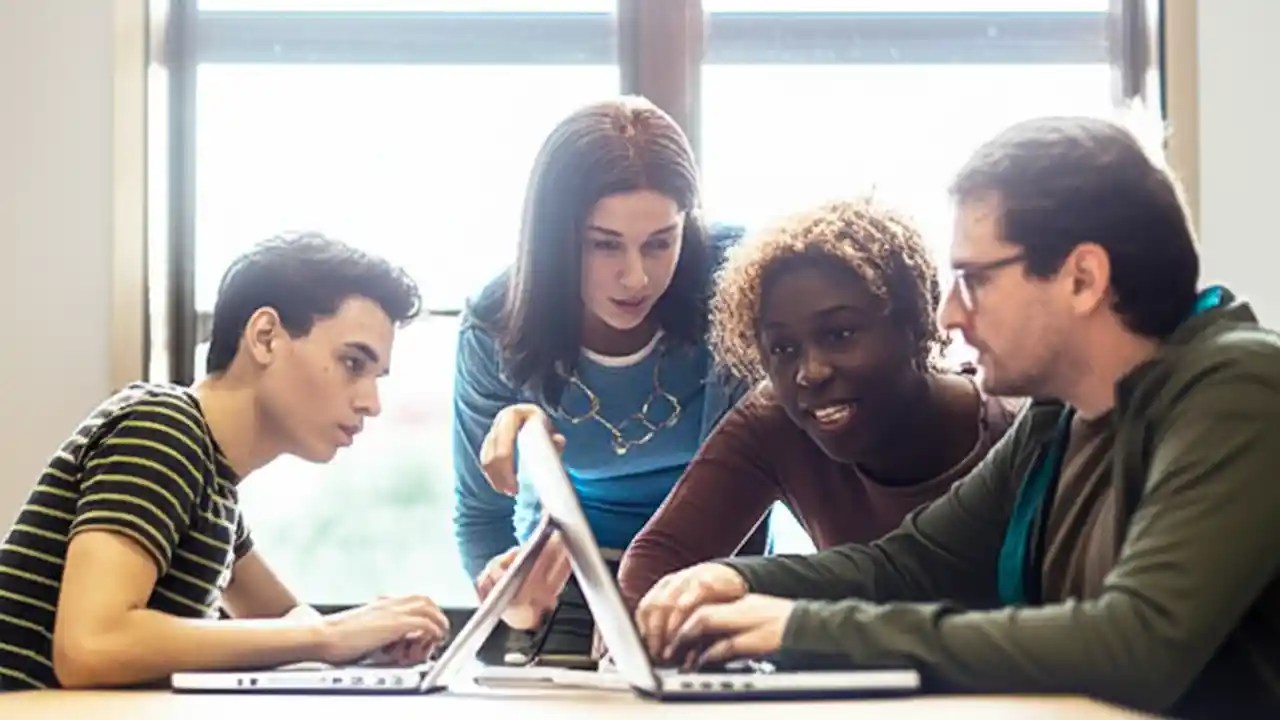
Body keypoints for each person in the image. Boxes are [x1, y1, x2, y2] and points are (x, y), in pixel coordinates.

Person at [634, 117, 1280, 719]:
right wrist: (727, 579)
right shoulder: (1061, 416)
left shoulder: (1240, 389)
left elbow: (1139, 642)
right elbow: (911, 568)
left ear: (1083, 278)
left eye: (976, 280)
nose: (950, 316)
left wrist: (800, 628)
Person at [0, 233, 449, 691]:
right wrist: (326, 636)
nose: (372, 403)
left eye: (377, 377)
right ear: (265, 337)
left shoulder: (215, 484)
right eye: (353, 363)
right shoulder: (162, 429)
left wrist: (365, 643)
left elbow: (286, 622)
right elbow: (90, 646)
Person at [452, 96, 754, 657]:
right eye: (603, 244)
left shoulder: (737, 278)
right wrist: (514, 601)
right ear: (555, 238)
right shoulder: (497, 324)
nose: (635, 277)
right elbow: (481, 515)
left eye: (661, 242)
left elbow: (760, 470)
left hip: (712, 566)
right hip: (570, 576)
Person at [615, 197, 1020, 609]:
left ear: (916, 324)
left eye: (840, 334)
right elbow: (659, 557)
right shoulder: (777, 421)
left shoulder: (1015, 429)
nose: (809, 372)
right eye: (783, 348)